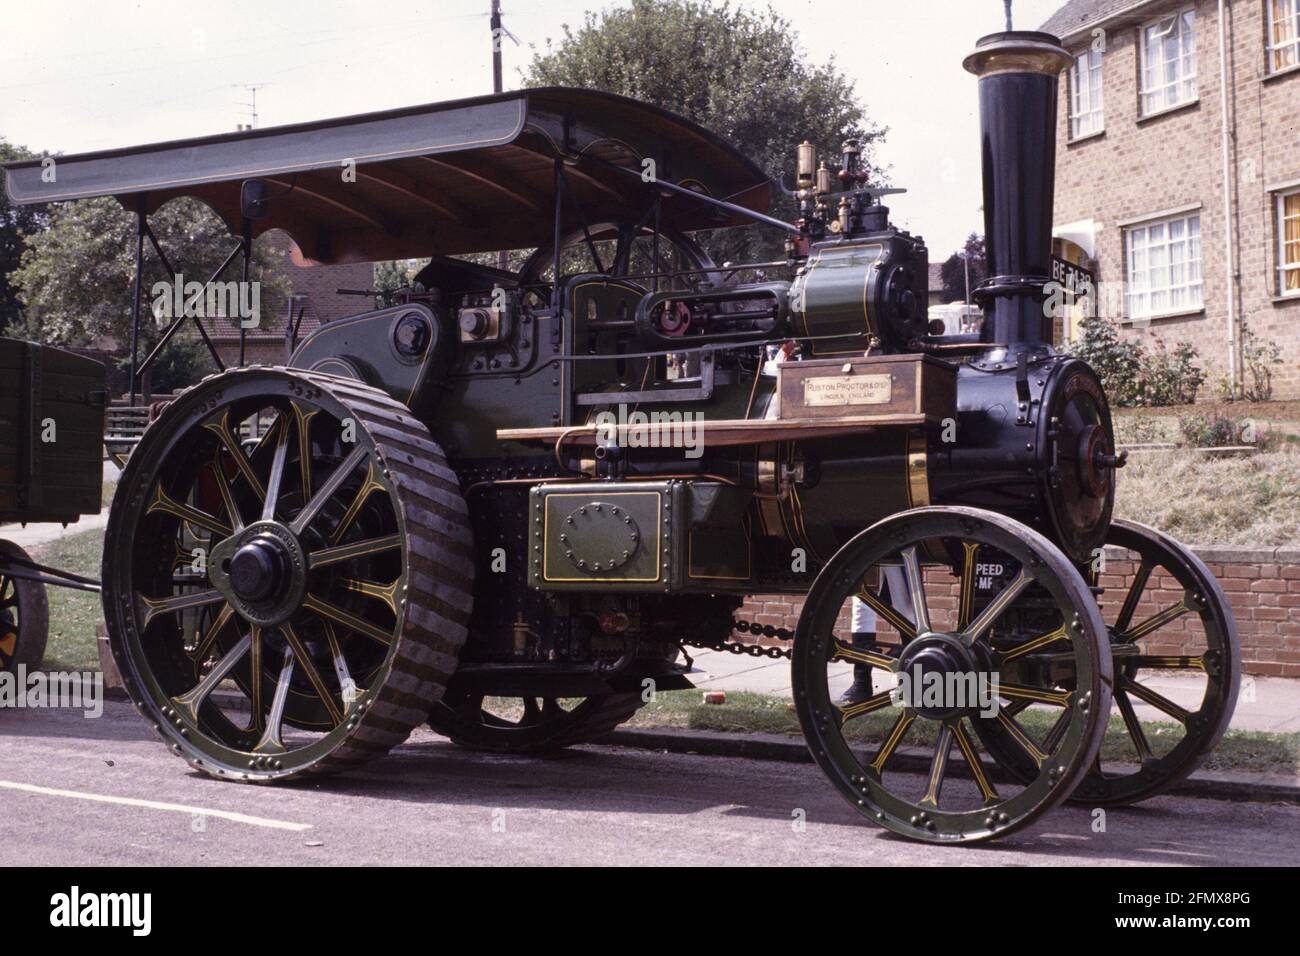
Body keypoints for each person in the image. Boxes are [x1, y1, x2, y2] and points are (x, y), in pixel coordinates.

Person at [838, 564, 913, 706]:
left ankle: (910, 682)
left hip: (895, 548)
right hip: (864, 550)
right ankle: (862, 683)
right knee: (861, 607)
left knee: (905, 606)